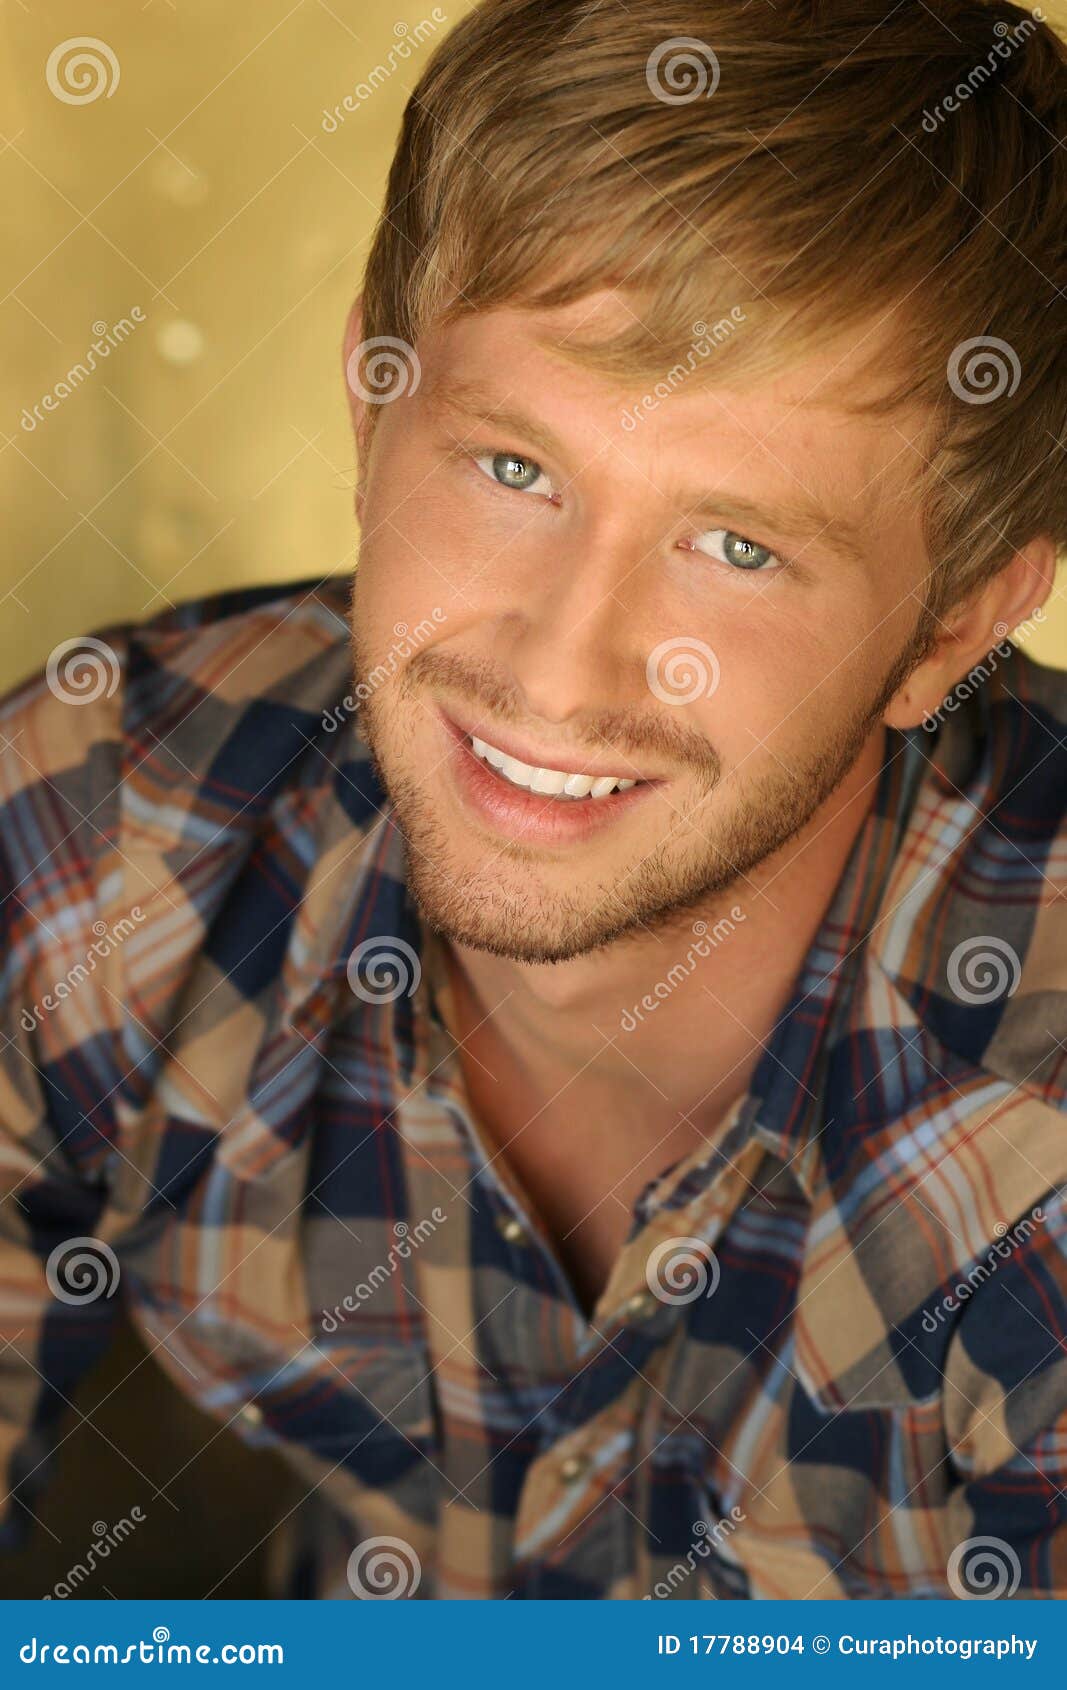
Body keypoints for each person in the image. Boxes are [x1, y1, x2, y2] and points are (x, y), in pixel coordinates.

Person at [2, 0, 1066, 1601]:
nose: (561, 673)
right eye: (514, 470)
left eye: (740, 546)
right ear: (371, 407)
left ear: (955, 626)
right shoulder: (112, 823)